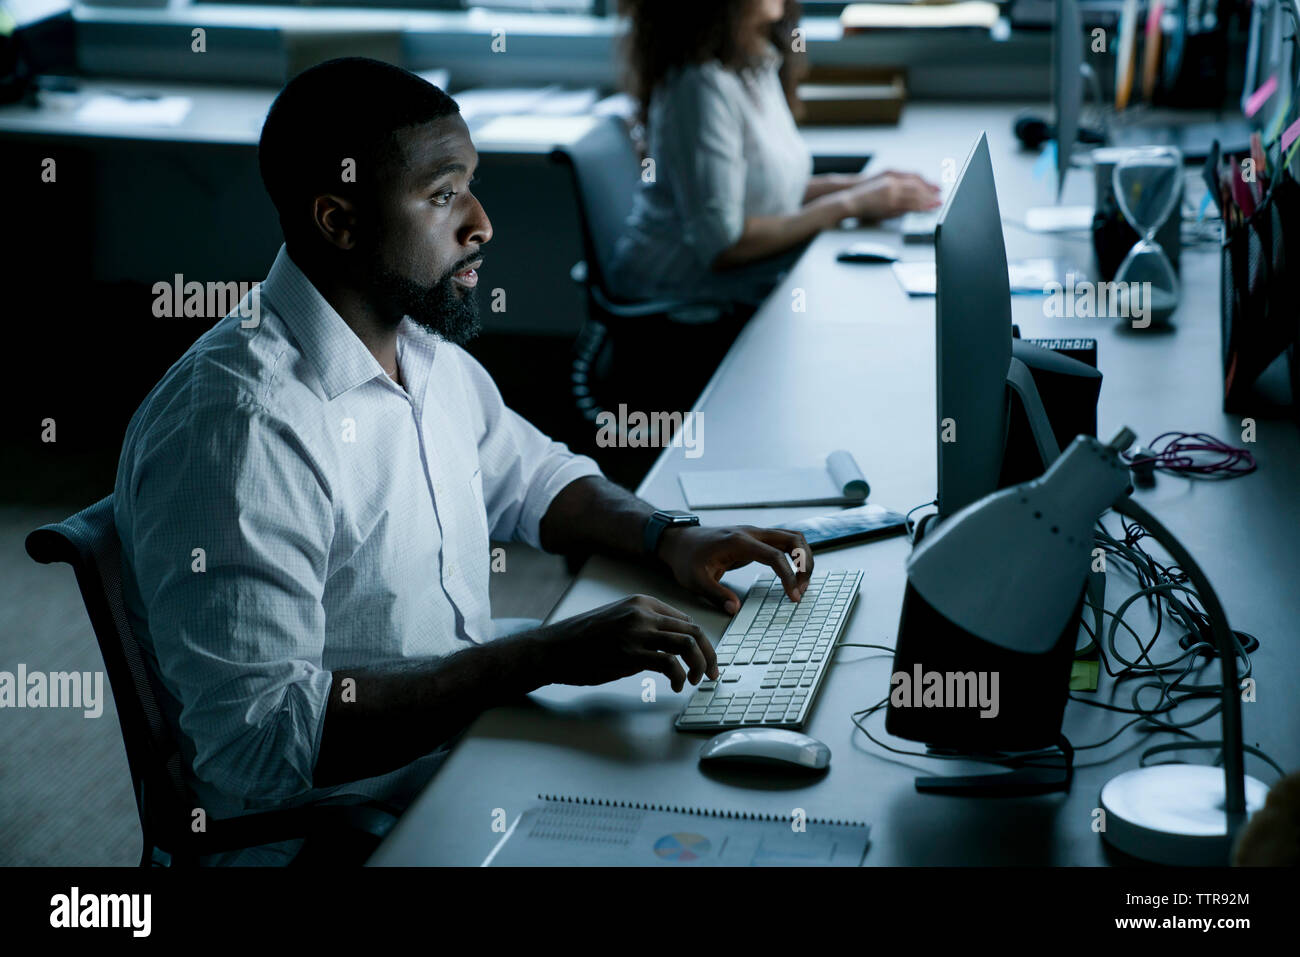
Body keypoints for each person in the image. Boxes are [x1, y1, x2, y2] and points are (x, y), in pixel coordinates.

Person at [113, 57, 814, 864]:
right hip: (341, 830)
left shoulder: (415, 342)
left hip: (459, 752)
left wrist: (669, 537)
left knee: (700, 787)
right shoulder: (239, 429)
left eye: (470, 185)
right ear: (339, 220)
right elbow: (262, 745)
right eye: (443, 195)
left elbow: (536, 477)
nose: (481, 223)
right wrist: (542, 656)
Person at [609, 0, 942, 306]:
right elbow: (724, 245)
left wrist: (861, 185)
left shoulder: (755, 64)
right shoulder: (700, 87)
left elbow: (768, 193)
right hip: (678, 305)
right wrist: (848, 204)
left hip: (736, 285)